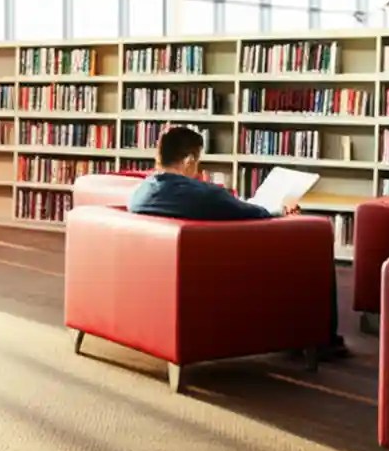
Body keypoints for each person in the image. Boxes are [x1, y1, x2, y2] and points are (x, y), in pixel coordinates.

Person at [127, 126, 348, 359]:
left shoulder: (140, 193)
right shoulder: (205, 195)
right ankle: (322, 338)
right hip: (228, 265)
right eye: (198, 161)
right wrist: (282, 213)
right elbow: (255, 214)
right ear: (190, 160)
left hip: (181, 272)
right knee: (314, 240)